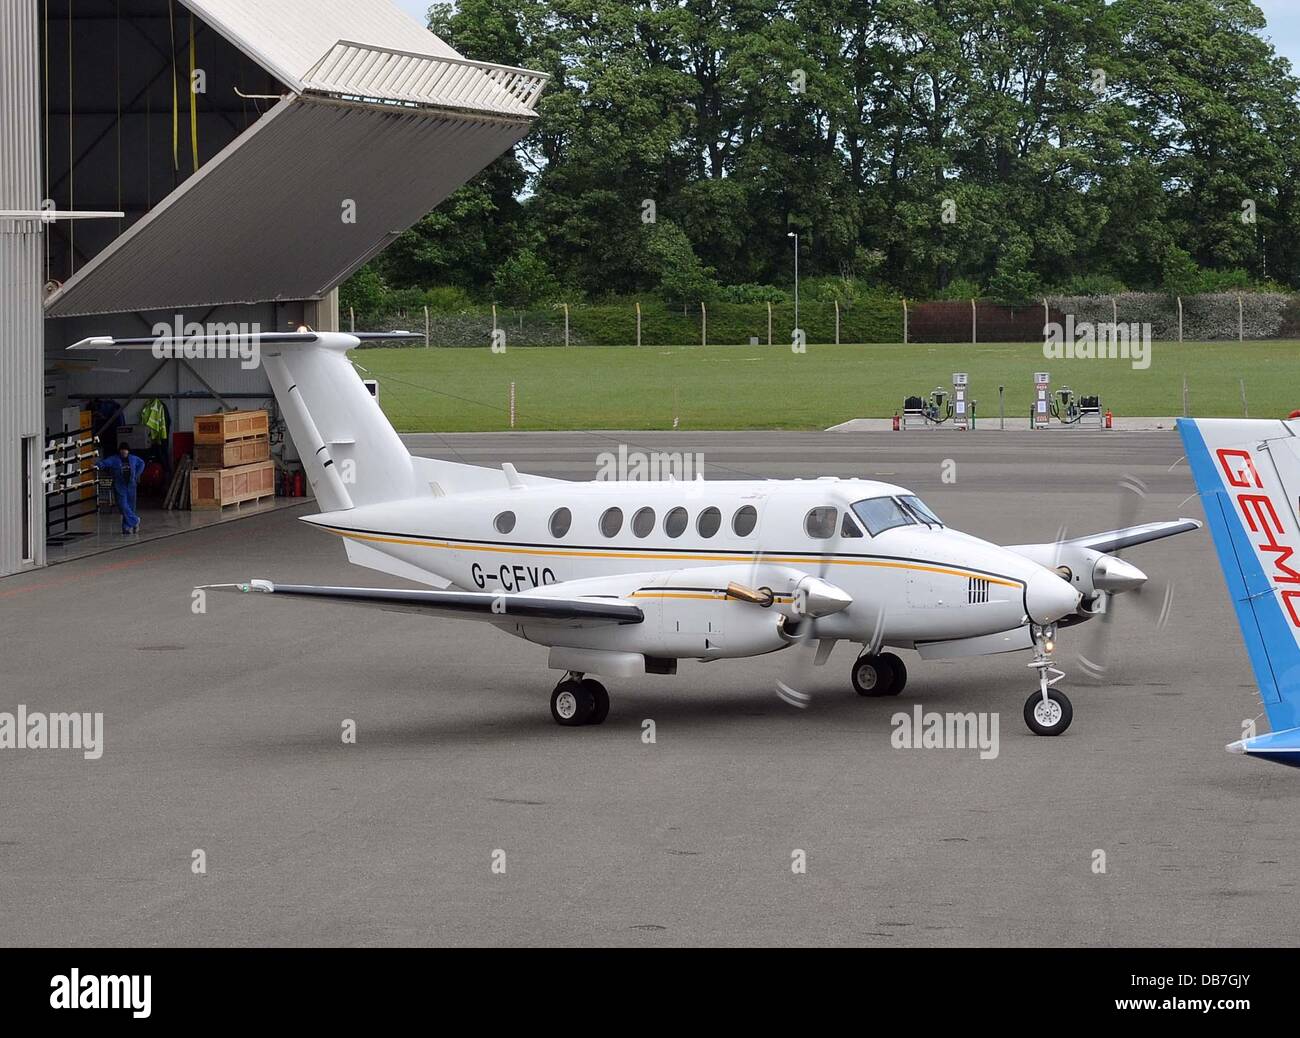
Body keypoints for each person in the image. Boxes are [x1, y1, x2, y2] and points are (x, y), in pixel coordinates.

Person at [95, 444, 145, 535]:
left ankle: (127, 527)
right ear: (119, 451)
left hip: (131, 486)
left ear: (128, 451)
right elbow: (105, 463)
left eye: (125, 450)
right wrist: (97, 465)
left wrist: (137, 475)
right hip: (120, 486)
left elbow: (142, 463)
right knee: (123, 505)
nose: (124, 452)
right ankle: (135, 520)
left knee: (131, 506)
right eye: (122, 450)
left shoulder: (133, 458)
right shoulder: (114, 459)